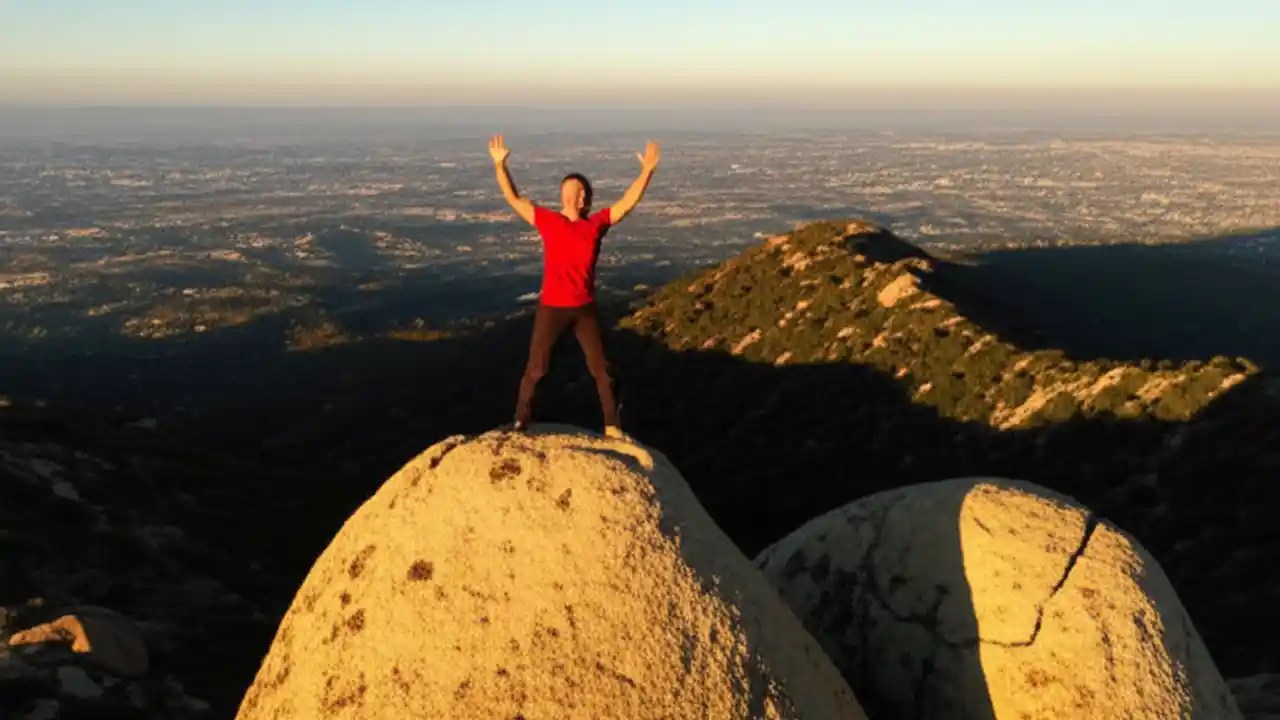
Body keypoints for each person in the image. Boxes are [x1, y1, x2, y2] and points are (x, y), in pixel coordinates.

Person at [489, 134, 660, 437]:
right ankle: (521, 421)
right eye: (571, 189)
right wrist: (500, 166)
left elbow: (627, 203)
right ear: (562, 195)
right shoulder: (548, 221)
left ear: (585, 200)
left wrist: (646, 171)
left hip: (583, 308)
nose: (575, 194)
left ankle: (612, 426)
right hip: (552, 306)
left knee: (603, 370)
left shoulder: (594, 225)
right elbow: (514, 199)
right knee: (537, 369)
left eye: (580, 191)